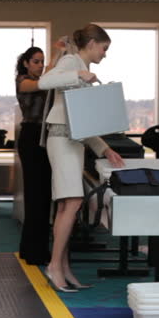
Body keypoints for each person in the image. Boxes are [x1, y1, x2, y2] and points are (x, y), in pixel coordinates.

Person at [38, 24, 125, 292]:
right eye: (104, 48)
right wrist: (78, 74)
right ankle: (54, 266)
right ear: (91, 44)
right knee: (73, 201)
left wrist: (104, 149)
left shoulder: (84, 72)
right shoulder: (70, 61)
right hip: (61, 140)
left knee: (67, 207)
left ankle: (63, 268)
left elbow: (82, 120)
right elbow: (43, 82)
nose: (105, 54)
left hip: (72, 141)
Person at [15, 46, 52, 265]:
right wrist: (56, 60)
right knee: (34, 195)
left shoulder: (44, 80)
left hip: (44, 137)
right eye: (36, 62)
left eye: (42, 61)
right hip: (31, 137)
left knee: (43, 195)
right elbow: (42, 84)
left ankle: (32, 249)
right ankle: (34, 251)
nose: (40, 65)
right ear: (26, 63)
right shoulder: (23, 81)